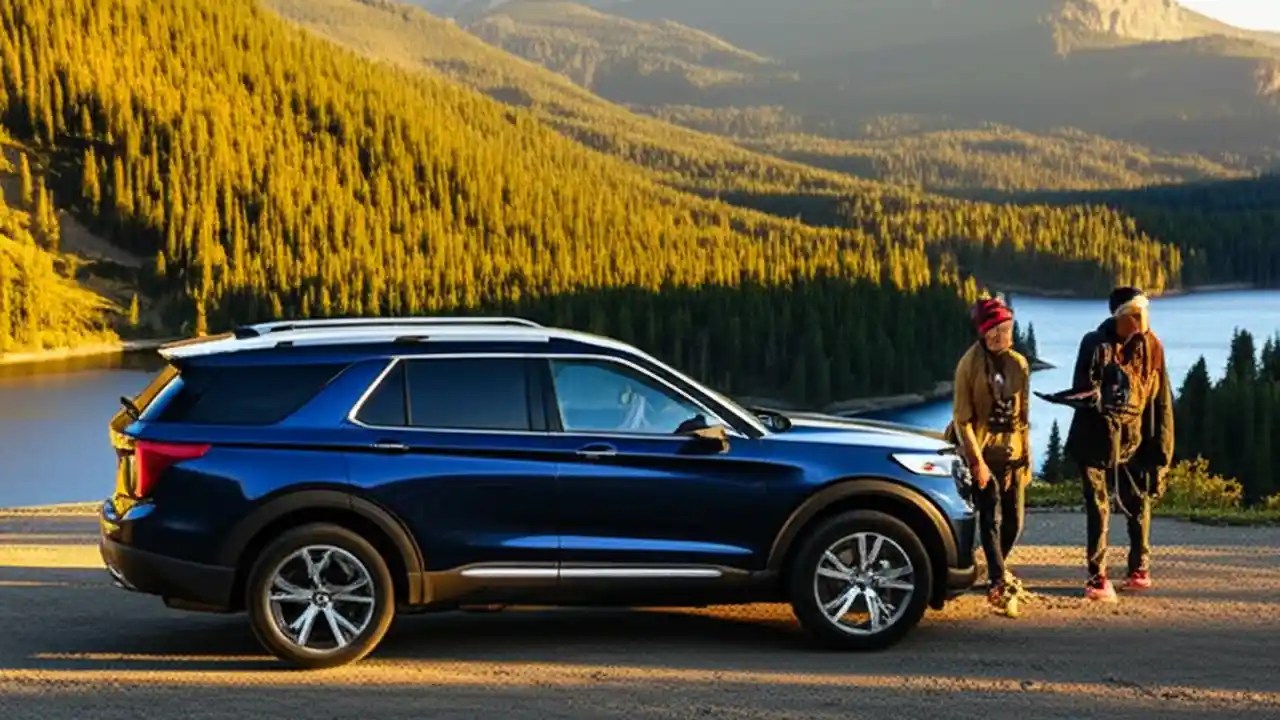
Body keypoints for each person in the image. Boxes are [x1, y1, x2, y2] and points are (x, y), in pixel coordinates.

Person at [1064, 287, 1174, 602]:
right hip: (1094, 439)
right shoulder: (1095, 344)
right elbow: (1081, 390)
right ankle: (1097, 576)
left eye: (1145, 314)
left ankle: (1139, 567)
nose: (1143, 321)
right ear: (1120, 317)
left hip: (1134, 437)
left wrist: (1162, 451)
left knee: (1138, 500)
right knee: (1098, 506)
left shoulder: (1153, 346)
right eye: (1135, 315)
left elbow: (1161, 400)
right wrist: (1100, 398)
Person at [949, 296, 1031, 616]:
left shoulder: (1019, 364)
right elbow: (962, 420)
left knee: (1015, 521)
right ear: (984, 333)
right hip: (983, 451)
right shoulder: (968, 366)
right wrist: (976, 462)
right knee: (989, 516)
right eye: (998, 330)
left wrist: (1026, 457)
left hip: (1013, 451)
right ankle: (997, 579)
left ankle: (991, 565)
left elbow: (1023, 417)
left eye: (1008, 329)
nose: (1004, 335)